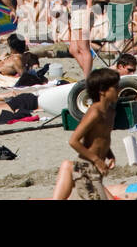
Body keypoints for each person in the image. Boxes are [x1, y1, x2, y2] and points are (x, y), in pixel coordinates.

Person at [50, 67, 120, 200]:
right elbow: (73, 141)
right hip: (85, 168)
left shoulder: (111, 112)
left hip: (96, 169)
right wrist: (97, 160)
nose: (119, 90)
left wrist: (110, 155)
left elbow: (102, 138)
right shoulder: (94, 112)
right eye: (115, 88)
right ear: (102, 91)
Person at [67, 0, 96, 77]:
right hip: (76, 12)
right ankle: (88, 74)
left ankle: (87, 77)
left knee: (84, 48)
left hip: (82, 13)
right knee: (73, 49)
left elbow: (90, 1)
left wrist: (87, 19)